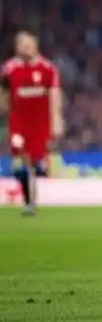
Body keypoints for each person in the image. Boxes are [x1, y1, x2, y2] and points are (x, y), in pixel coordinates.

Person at [2, 31, 64, 216]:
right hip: (18, 123)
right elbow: (3, 93)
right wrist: (5, 109)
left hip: (40, 124)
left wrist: (57, 121)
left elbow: (54, 96)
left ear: (35, 46)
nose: (23, 49)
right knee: (20, 164)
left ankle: (31, 199)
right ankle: (30, 201)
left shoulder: (47, 69)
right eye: (20, 45)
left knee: (35, 164)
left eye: (27, 45)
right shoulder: (10, 68)